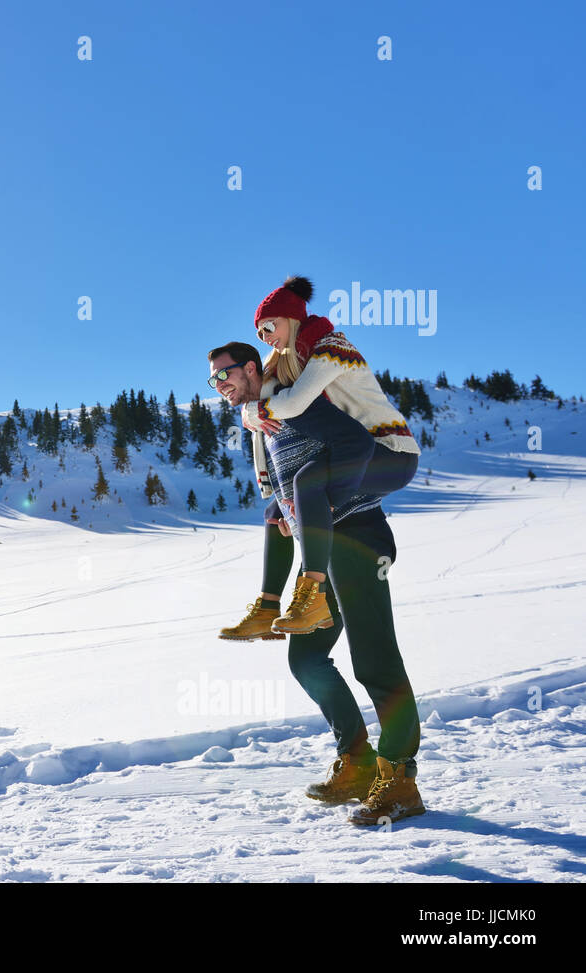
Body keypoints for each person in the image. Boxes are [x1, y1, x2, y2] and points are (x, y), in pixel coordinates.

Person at [207, 341, 425, 825]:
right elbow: (288, 493)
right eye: (213, 380)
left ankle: (401, 779)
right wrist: (284, 514)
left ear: (250, 367)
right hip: (324, 553)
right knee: (305, 657)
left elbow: (358, 447)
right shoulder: (263, 422)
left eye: (225, 374)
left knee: (375, 660)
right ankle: (357, 761)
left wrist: (329, 500)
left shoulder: (291, 404)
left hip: (360, 539)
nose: (220, 385)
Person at [219, 276, 420, 638]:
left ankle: (314, 596)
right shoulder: (290, 360)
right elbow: (265, 396)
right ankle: (267, 608)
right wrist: (250, 413)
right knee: (275, 512)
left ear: (291, 318)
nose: (265, 336)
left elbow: (294, 404)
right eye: (259, 332)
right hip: (357, 450)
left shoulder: (330, 347)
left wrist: (256, 412)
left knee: (307, 482)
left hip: (392, 452)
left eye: (269, 326)